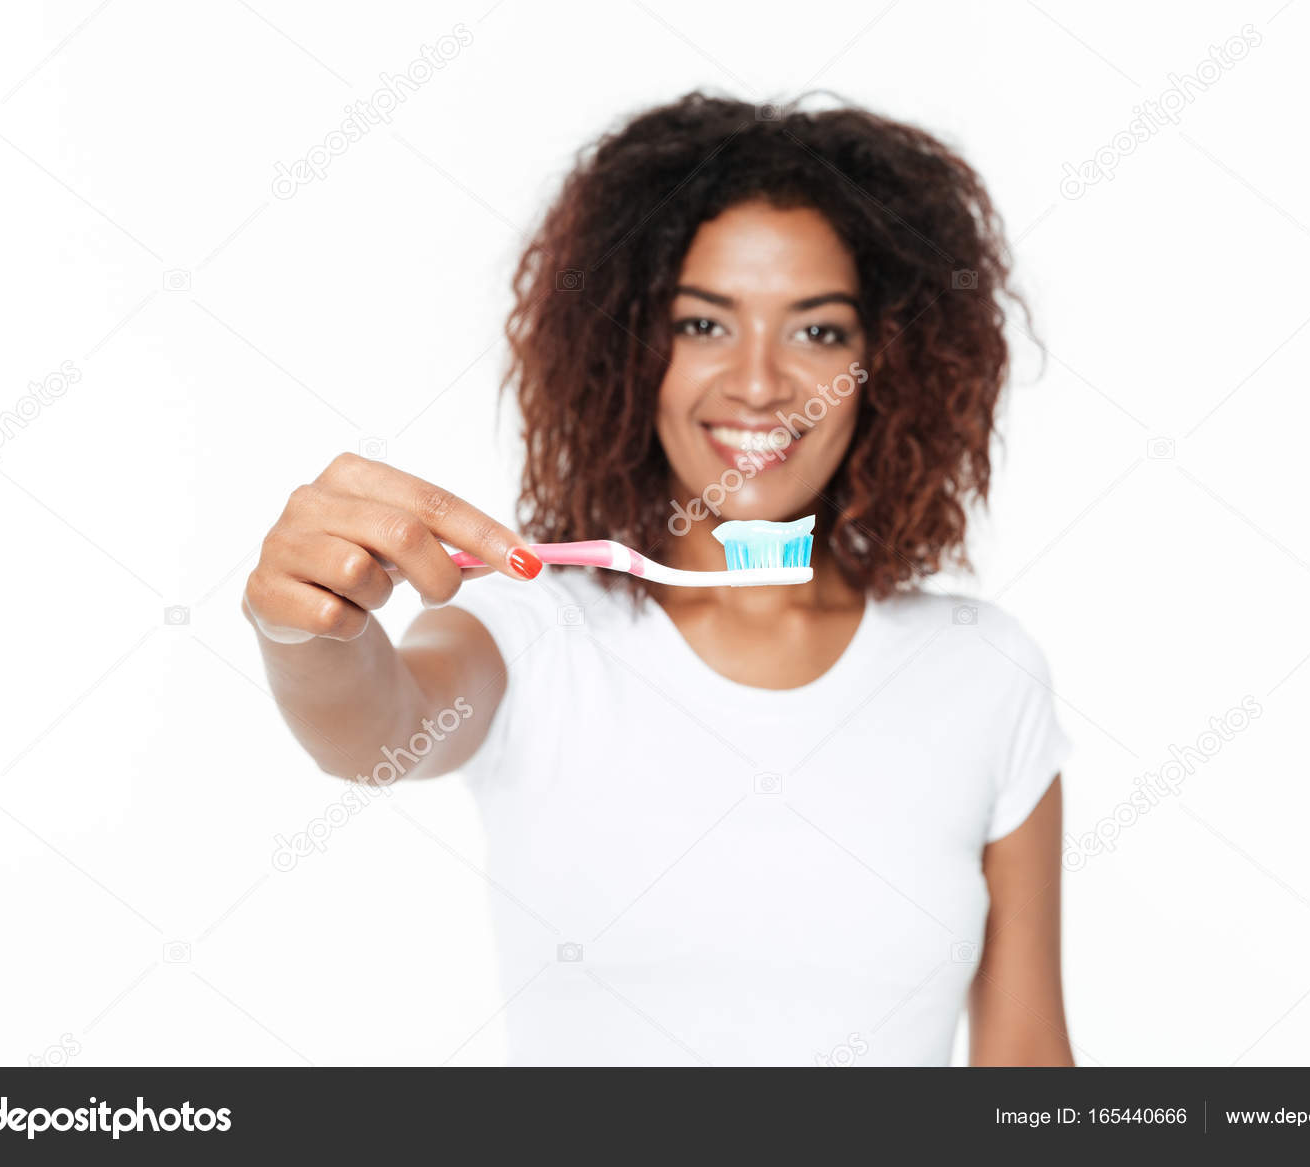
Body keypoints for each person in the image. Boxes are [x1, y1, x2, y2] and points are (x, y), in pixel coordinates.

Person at [244, 93, 1073, 1066]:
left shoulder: (980, 670)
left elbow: (1026, 1069)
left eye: (818, 333)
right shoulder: (533, 630)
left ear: (888, 363)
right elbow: (374, 728)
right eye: (702, 325)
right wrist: (307, 632)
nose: (759, 382)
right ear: (626, 349)